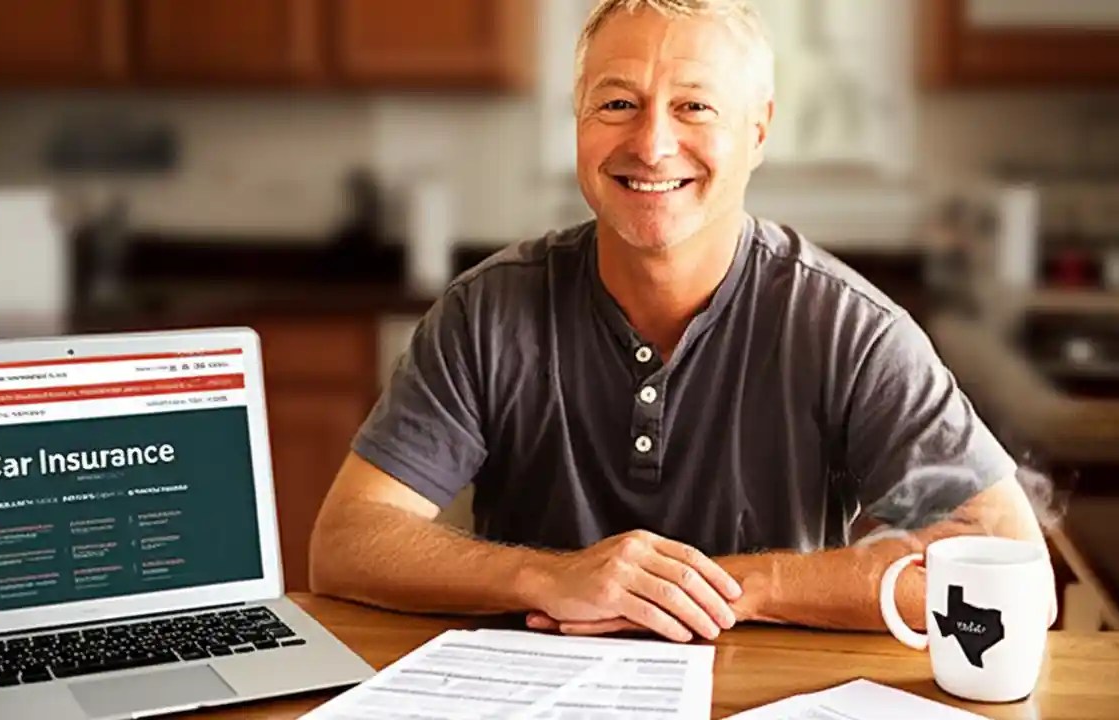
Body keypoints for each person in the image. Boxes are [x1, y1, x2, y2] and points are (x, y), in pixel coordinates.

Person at [308, 0, 1050, 643]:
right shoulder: (486, 312)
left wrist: (730, 588)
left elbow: (1012, 570)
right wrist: (548, 577)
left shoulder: (849, 330)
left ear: (757, 133)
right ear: (579, 121)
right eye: (617, 103)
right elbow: (345, 541)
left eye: (695, 106)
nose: (652, 144)